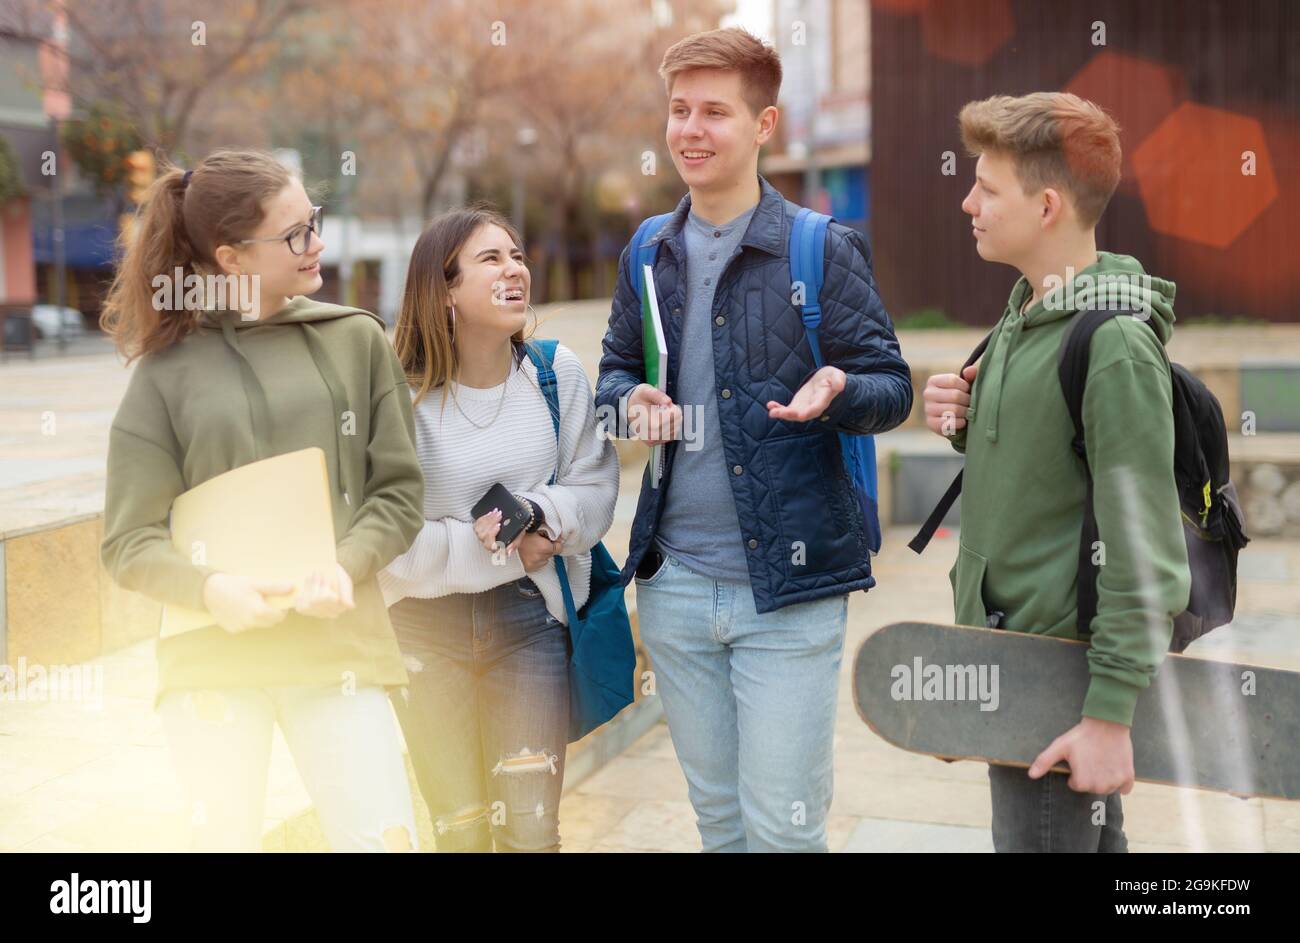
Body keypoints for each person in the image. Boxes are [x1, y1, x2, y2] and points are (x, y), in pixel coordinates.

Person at [596, 28, 913, 852]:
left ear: (764, 124)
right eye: (677, 111)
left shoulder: (820, 246)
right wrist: (629, 400)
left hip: (790, 592)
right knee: (720, 824)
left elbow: (893, 387)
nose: (690, 130)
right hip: (674, 590)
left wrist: (841, 391)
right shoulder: (646, 252)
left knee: (784, 829)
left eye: (714, 112)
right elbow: (608, 381)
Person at [99, 148, 426, 852]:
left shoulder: (356, 339)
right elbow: (128, 539)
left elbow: (398, 492)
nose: (318, 243)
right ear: (231, 257)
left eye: (314, 221)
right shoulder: (164, 373)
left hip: (337, 646)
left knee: (384, 841)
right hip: (211, 658)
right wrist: (210, 588)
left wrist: (344, 563)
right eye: (295, 233)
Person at [922, 92, 1192, 852]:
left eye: (988, 188)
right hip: (1013, 667)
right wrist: (969, 423)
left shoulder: (1112, 346)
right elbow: (1046, 472)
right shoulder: (1024, 317)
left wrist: (1108, 716)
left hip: (1059, 691)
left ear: (1046, 207)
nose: (967, 200)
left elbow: (1143, 547)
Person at [378, 205, 619, 852]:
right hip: (423, 631)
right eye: (491, 259)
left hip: (529, 622)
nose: (515, 269)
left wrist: (542, 514)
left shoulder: (552, 372)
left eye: (517, 255)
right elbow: (387, 539)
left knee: (532, 829)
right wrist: (503, 548)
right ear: (444, 288)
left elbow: (594, 490)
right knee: (458, 829)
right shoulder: (396, 395)